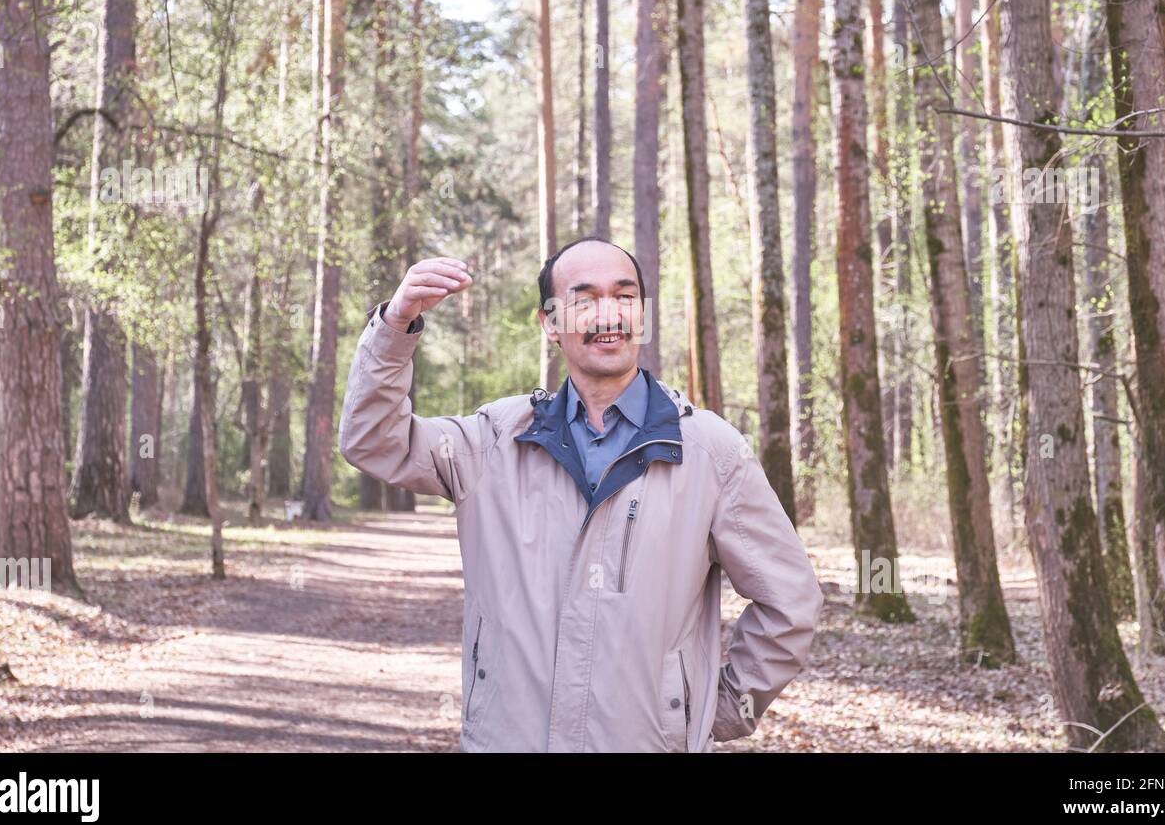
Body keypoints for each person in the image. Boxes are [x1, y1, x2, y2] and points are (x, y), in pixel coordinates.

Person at [338, 235, 823, 752]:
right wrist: (395, 326)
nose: (608, 314)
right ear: (550, 323)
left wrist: (713, 711)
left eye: (625, 295)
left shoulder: (709, 452)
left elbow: (789, 599)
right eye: (584, 299)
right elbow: (374, 440)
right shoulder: (495, 440)